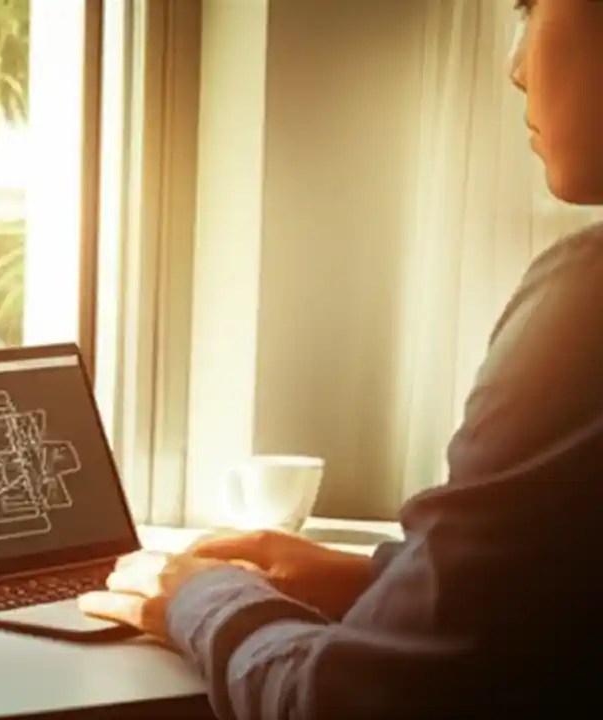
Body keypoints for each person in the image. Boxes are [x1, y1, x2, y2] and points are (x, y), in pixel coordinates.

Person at [77, 0, 603, 717]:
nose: (515, 68)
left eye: (530, 6)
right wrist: (381, 580)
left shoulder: (586, 304)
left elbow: (352, 705)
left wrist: (204, 599)